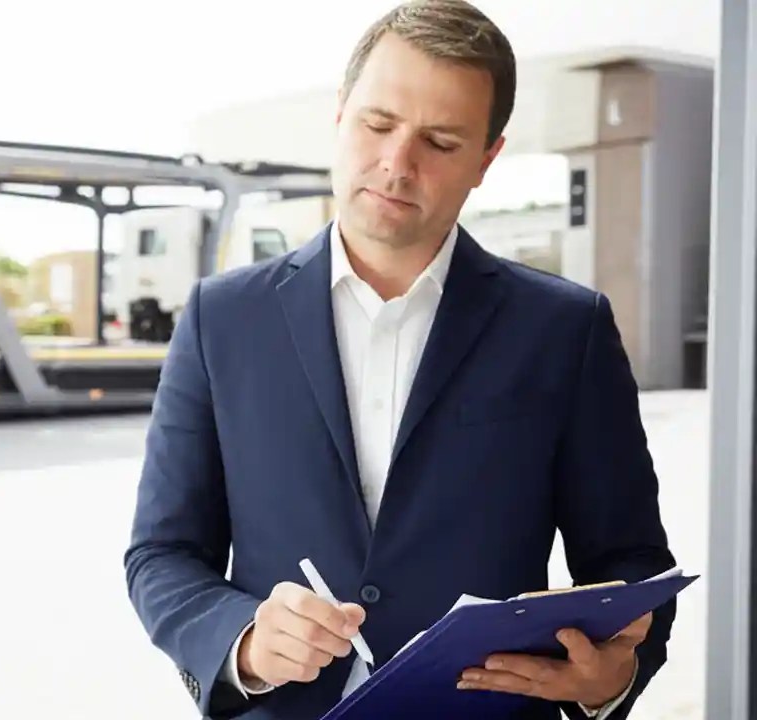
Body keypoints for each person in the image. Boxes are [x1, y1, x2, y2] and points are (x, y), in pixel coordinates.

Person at [122, 1, 678, 719]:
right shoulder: (220, 319)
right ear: (340, 116)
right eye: (377, 125)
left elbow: (633, 565)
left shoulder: (565, 330)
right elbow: (162, 557)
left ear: (486, 159)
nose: (396, 163)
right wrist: (247, 642)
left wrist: (608, 680)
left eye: (440, 142)